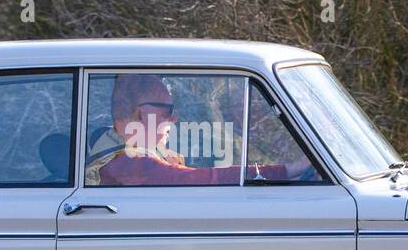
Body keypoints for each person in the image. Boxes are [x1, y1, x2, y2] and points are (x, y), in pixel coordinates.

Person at [89, 74, 291, 187]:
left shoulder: (122, 146)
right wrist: (286, 171)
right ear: (141, 113)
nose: (173, 119)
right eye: (167, 110)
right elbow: (196, 180)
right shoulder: (131, 161)